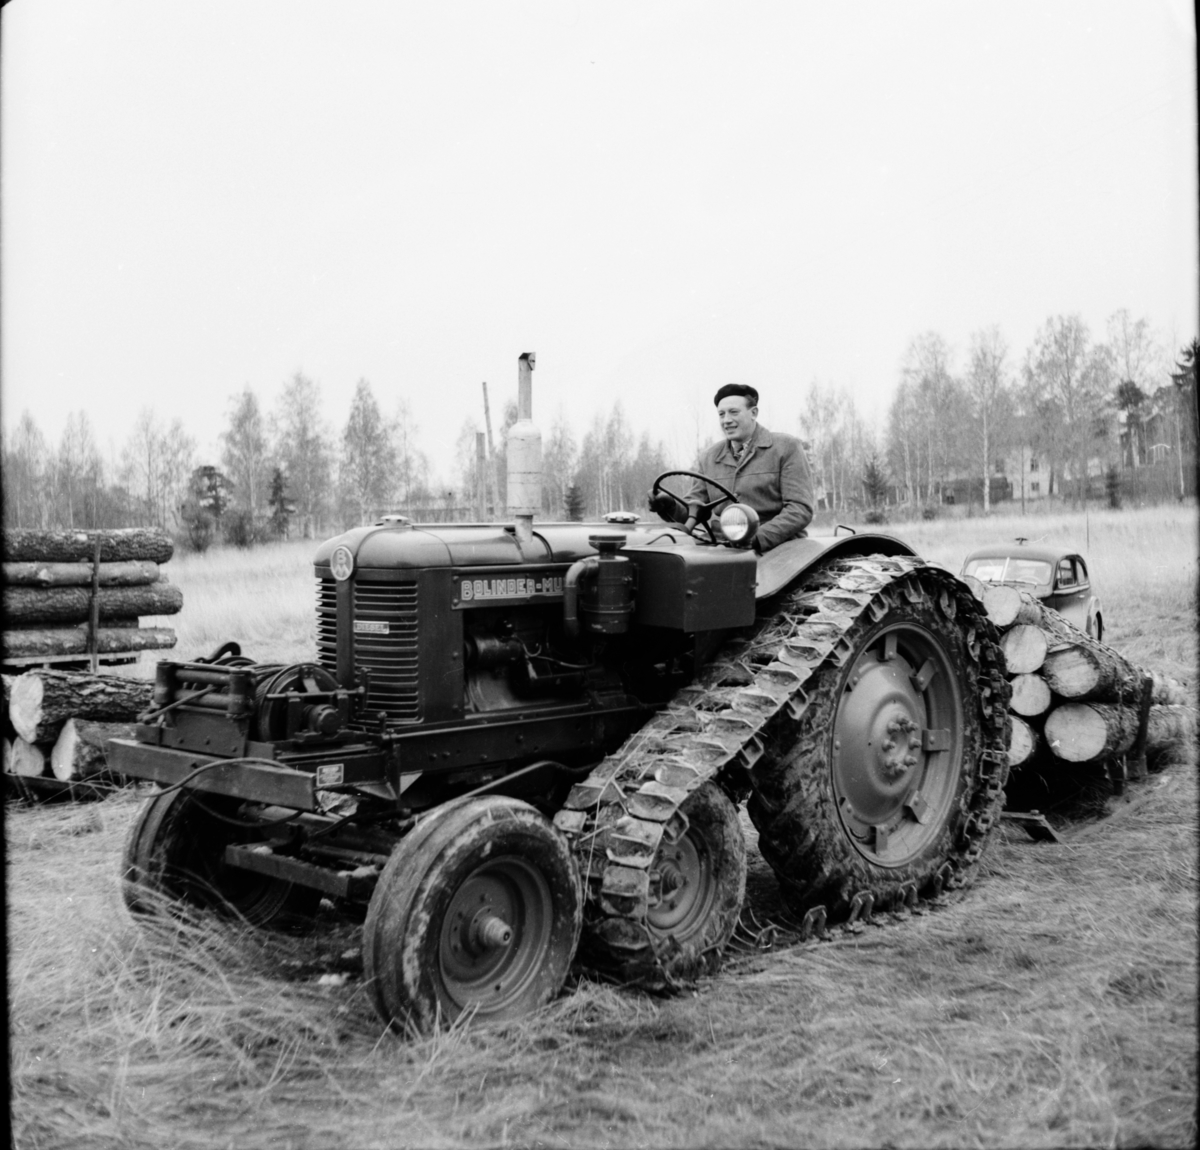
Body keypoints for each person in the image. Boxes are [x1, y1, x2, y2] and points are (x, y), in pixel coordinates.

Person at [649, 383, 814, 552]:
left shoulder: (785, 447)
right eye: (721, 414)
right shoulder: (709, 457)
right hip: (723, 545)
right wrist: (669, 506)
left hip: (777, 547)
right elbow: (694, 510)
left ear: (754, 413)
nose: (726, 420)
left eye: (734, 412)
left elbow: (799, 509)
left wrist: (758, 537)